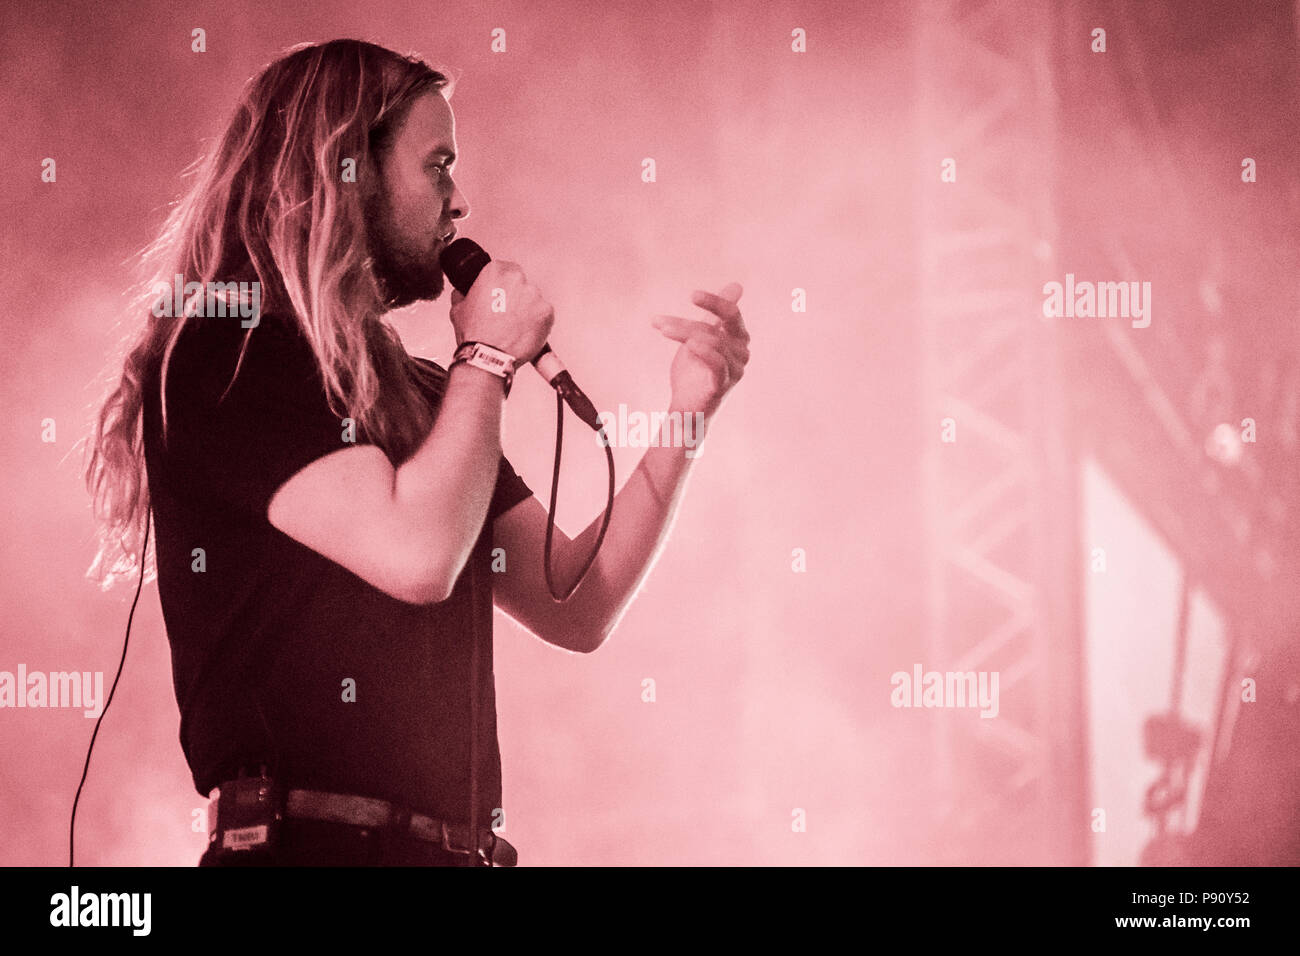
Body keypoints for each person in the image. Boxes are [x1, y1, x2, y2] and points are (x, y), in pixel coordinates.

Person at [84, 38, 750, 866]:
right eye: (437, 165)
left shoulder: (430, 394)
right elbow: (419, 553)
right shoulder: (233, 345)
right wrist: (490, 360)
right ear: (343, 169)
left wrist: (688, 417)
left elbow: (575, 604)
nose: (459, 200)